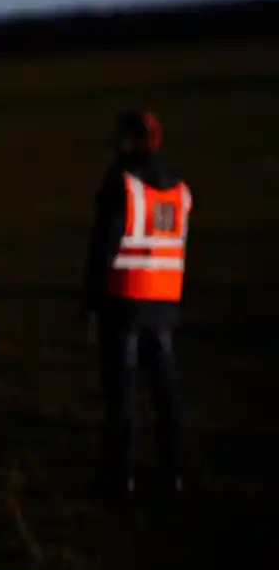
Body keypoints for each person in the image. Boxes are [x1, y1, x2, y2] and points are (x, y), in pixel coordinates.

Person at [82, 111, 192, 499]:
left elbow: (103, 250)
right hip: (165, 307)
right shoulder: (180, 190)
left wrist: (90, 304)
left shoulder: (122, 186)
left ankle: (121, 476)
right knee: (167, 395)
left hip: (125, 304)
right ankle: (173, 473)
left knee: (122, 395)